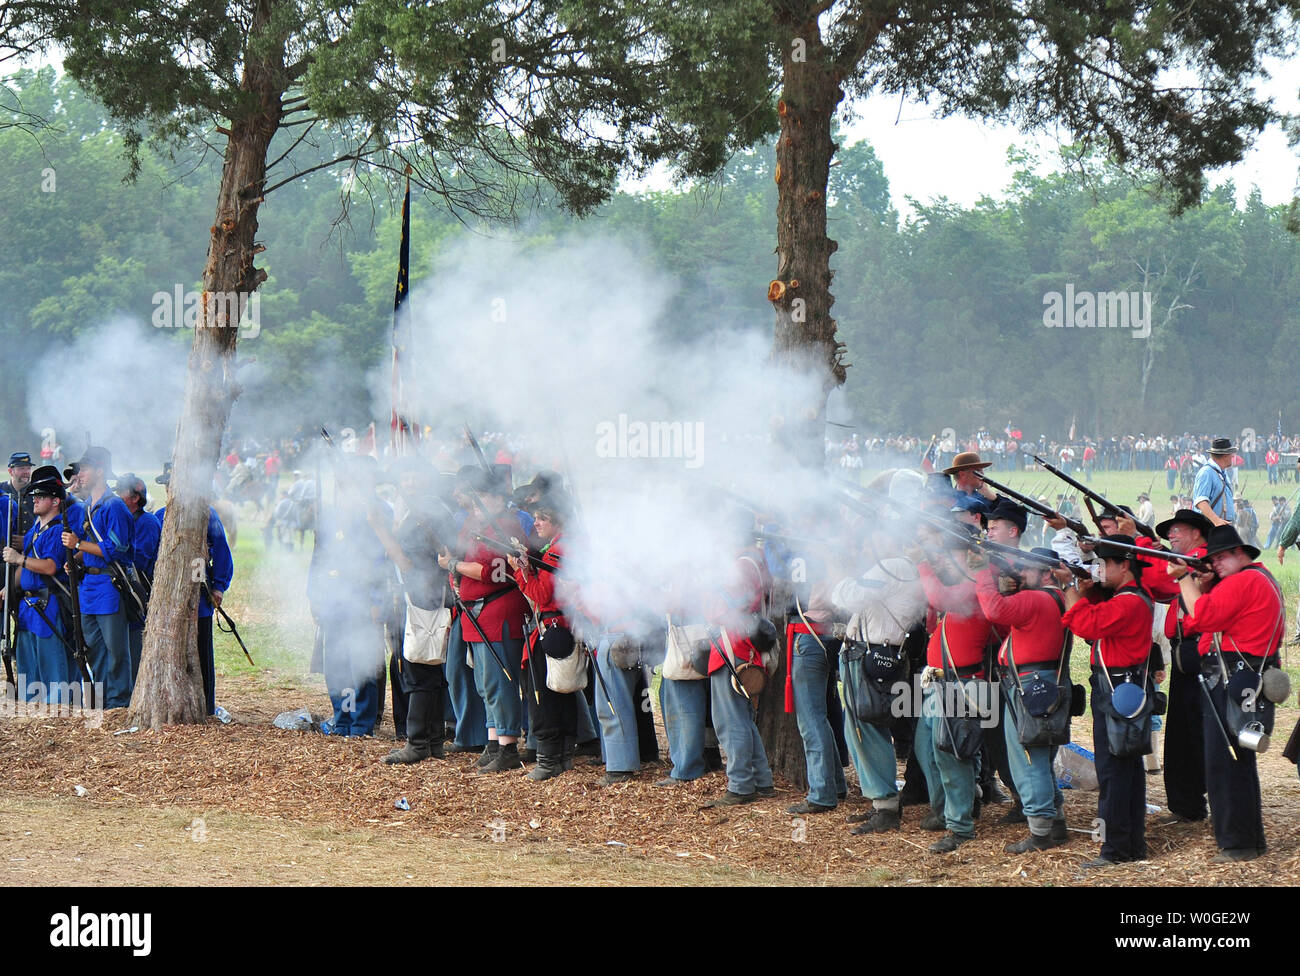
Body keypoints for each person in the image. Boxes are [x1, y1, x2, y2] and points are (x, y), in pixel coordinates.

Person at [1178, 525, 1284, 861]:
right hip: (1243, 676)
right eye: (1213, 558)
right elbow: (1199, 623)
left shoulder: (1244, 581)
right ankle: (1244, 839)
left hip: (1232, 676)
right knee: (1235, 760)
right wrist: (1205, 586)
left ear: (1242, 554)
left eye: (1222, 556)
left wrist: (1183, 579)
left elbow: (1202, 615)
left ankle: (1238, 843)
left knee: (1226, 762)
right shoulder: (1256, 578)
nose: (1217, 563)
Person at [1060, 535, 1157, 869]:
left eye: (1103, 564)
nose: (1098, 569)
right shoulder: (1125, 597)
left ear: (1124, 565)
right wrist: (1086, 591)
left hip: (1117, 689)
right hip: (1121, 689)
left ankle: (1114, 849)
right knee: (1124, 768)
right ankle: (1132, 844)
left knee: (1114, 771)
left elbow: (1088, 624)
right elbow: (1095, 626)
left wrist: (1070, 588)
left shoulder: (1128, 601)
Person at [829, 523, 927, 832]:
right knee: (860, 729)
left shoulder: (893, 566)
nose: (869, 542)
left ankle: (885, 805)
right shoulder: (896, 567)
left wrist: (840, 577)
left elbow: (848, 597)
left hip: (872, 657)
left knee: (868, 729)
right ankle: (880, 802)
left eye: (876, 535)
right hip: (870, 654)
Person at [974, 546, 1071, 852]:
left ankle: (1040, 832)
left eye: (1028, 569)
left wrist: (981, 571)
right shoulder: (1054, 597)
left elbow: (993, 610)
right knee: (1039, 757)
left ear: (1046, 573)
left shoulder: (1037, 597)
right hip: (1039, 684)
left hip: (1030, 685)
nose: (1021, 574)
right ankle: (1053, 823)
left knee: (1029, 759)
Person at [441, 466, 528, 772]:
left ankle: (508, 746)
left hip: (498, 612)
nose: (475, 505)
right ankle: (494, 740)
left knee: (499, 682)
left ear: (493, 498)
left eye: (481, 498)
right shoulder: (474, 523)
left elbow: (490, 572)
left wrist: (454, 565)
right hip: (477, 614)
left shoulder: (505, 526)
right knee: (484, 683)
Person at [912, 523, 993, 853]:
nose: (944, 559)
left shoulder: (973, 586)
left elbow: (939, 595)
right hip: (942, 683)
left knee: (952, 754)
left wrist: (923, 564)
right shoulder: (962, 585)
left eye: (950, 553)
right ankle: (952, 806)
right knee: (931, 749)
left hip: (962, 685)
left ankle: (959, 825)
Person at [370, 460, 453, 764]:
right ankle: (433, 741)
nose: (408, 481)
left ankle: (418, 742)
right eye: (404, 475)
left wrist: (379, 528)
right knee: (428, 669)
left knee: (418, 669)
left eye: (414, 475)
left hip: (422, 596)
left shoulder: (426, 514)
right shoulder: (423, 511)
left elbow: (406, 563)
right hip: (425, 595)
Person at [307, 456, 388, 736]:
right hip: (334, 600)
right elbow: (319, 558)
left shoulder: (376, 514)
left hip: (362, 601)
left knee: (361, 663)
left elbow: (382, 563)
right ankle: (342, 718)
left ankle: (362, 723)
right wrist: (314, 596)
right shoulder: (332, 515)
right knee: (337, 665)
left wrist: (378, 601)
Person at [700, 521, 776, 807]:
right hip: (743, 644)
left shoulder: (740, 566)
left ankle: (742, 784)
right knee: (740, 719)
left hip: (733, 645)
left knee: (731, 722)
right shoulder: (753, 561)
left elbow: (718, 610)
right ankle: (761, 780)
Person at [155, 462, 235, 717]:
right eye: (167, 485)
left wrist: (218, 588)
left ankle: (206, 707)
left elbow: (221, 553)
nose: (170, 489)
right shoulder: (159, 517)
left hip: (199, 599)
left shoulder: (207, 514)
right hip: (167, 601)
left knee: (202, 657)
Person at [509, 492, 579, 780]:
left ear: (557, 521)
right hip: (559, 629)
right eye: (535, 517)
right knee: (558, 692)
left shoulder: (558, 552)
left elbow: (541, 594)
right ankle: (561, 756)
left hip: (551, 629)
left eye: (542, 518)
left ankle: (549, 760)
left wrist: (520, 572)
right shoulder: (562, 548)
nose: (535, 523)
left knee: (546, 695)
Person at [1149, 509, 1212, 823]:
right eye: (1169, 531)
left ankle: (1191, 801)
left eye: (1177, 530)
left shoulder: (1199, 561)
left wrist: (1140, 540)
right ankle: (1187, 802)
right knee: (1184, 731)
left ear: (1197, 533)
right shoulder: (1183, 564)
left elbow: (1160, 579)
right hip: (1184, 653)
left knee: (1192, 731)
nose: (1171, 535)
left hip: (1197, 653)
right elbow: (1160, 588)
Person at [61, 448, 134, 709]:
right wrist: (77, 560)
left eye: (85, 468)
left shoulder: (113, 506)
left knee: (115, 650)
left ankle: (119, 701)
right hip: (88, 587)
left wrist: (78, 544)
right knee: (93, 648)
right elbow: (91, 545)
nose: (80, 474)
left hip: (108, 586)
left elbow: (117, 549)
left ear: (100, 470)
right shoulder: (87, 507)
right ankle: (102, 700)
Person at [1, 469, 74, 704]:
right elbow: (26, 566)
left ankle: (57, 709)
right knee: (27, 665)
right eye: (34, 495)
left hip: (47, 605)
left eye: (41, 496)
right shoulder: (36, 529)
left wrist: (18, 558)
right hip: (28, 607)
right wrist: (8, 587)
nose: (35, 499)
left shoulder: (57, 530)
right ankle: (29, 708)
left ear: (55, 501)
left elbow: (49, 566)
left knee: (51, 665)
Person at [115, 473, 159, 683]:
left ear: (134, 498)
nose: (117, 496)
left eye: (121, 491)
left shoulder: (147, 522)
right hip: (120, 591)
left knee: (135, 648)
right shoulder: (122, 519)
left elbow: (138, 560)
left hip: (138, 593)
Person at [1192, 438, 1237, 527]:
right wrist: (1217, 521)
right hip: (1210, 526)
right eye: (1230, 454)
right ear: (1224, 456)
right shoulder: (1206, 472)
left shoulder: (1222, 472)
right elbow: (1201, 502)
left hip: (1222, 525)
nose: (1232, 456)